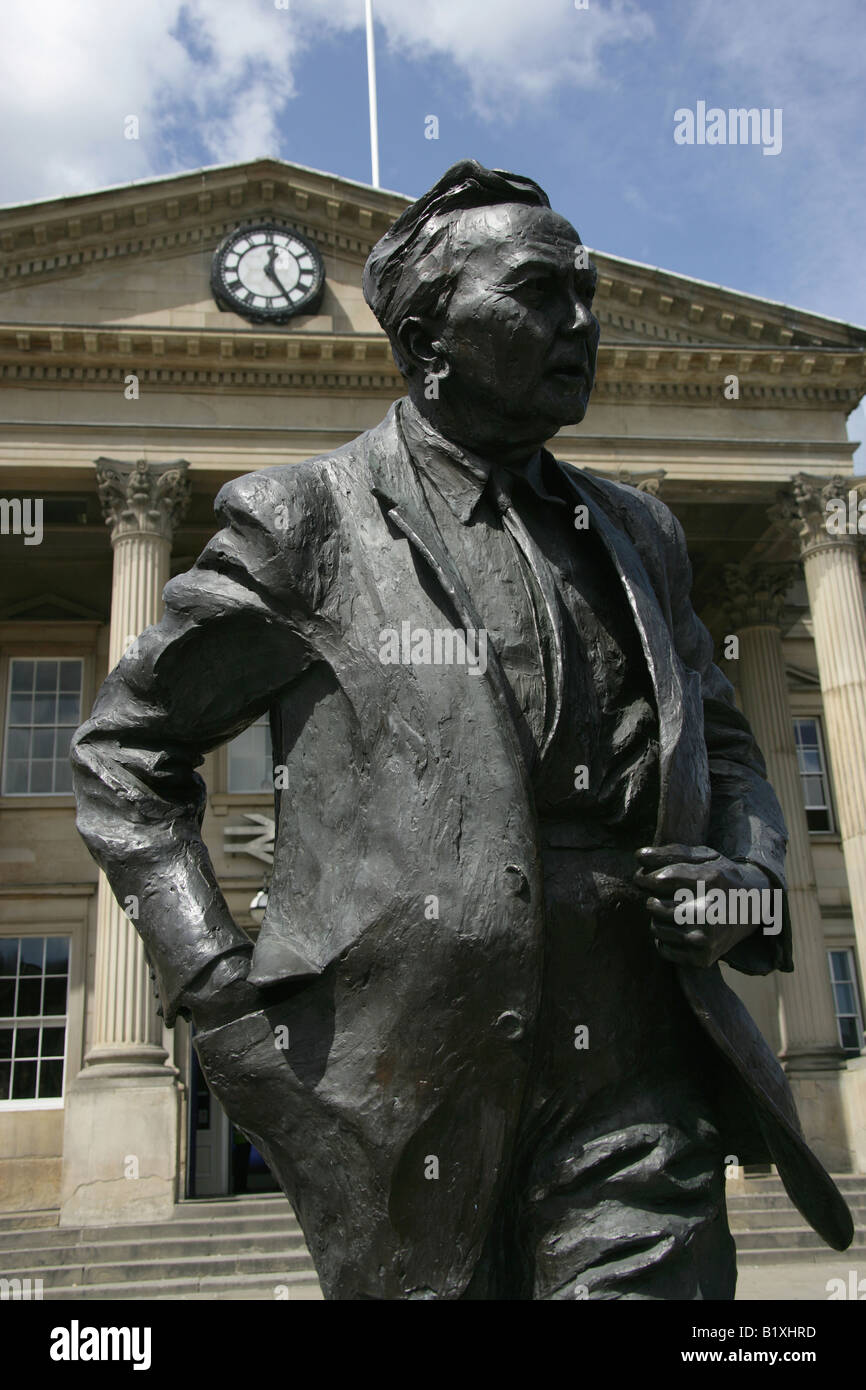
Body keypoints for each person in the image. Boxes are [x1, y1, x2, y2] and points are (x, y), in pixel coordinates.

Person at [72, 159, 851, 1300]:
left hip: (636, 1067)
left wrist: (741, 880)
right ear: (430, 330)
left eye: (586, 294)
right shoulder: (306, 523)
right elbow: (123, 754)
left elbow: (727, 750)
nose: (581, 322)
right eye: (539, 294)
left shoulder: (638, 532)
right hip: (394, 1084)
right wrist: (220, 999)